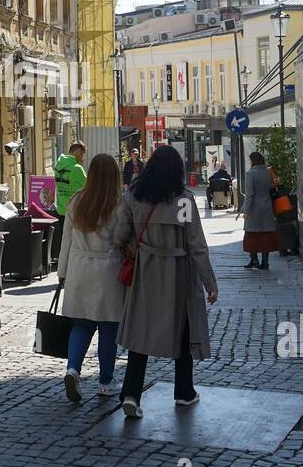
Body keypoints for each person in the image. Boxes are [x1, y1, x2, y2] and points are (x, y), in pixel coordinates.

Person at [113, 144, 218, 419]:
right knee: (183, 329)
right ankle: (184, 391)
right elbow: (196, 244)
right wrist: (210, 282)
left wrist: (135, 244)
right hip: (178, 273)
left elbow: (119, 235)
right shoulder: (183, 200)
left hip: (145, 273)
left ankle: (131, 393)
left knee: (140, 332)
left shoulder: (135, 196)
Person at [58, 154, 128, 403]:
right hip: (108, 272)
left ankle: (73, 369)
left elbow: (66, 238)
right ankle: (106, 381)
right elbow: (123, 239)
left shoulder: (76, 201)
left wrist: (62, 272)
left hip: (79, 269)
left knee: (82, 325)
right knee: (109, 328)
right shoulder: (118, 204)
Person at [240, 151, 279, 270]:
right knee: (265, 235)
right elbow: (273, 186)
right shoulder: (268, 172)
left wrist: (246, 211)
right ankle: (265, 262)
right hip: (267, 206)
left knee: (252, 235)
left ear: (253, 161)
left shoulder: (250, 174)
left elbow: (250, 194)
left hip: (254, 208)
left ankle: (254, 260)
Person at [52, 141, 88, 268]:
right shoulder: (77, 169)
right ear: (77, 152)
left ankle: (63, 268)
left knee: (64, 241)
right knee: (76, 242)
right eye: (82, 154)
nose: (83, 157)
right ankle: (73, 268)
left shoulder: (58, 166)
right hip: (76, 211)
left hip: (61, 209)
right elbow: (89, 187)